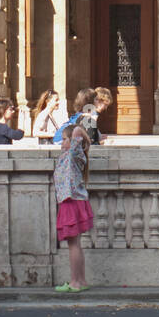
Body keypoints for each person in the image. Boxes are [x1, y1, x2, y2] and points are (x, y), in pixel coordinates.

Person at [53, 119, 94, 293]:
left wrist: (85, 138)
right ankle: (80, 280)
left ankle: (75, 282)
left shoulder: (75, 154)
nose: (62, 143)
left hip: (72, 201)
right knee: (75, 244)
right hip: (71, 200)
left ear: (72, 141)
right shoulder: (70, 156)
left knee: (73, 245)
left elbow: (77, 130)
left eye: (64, 139)